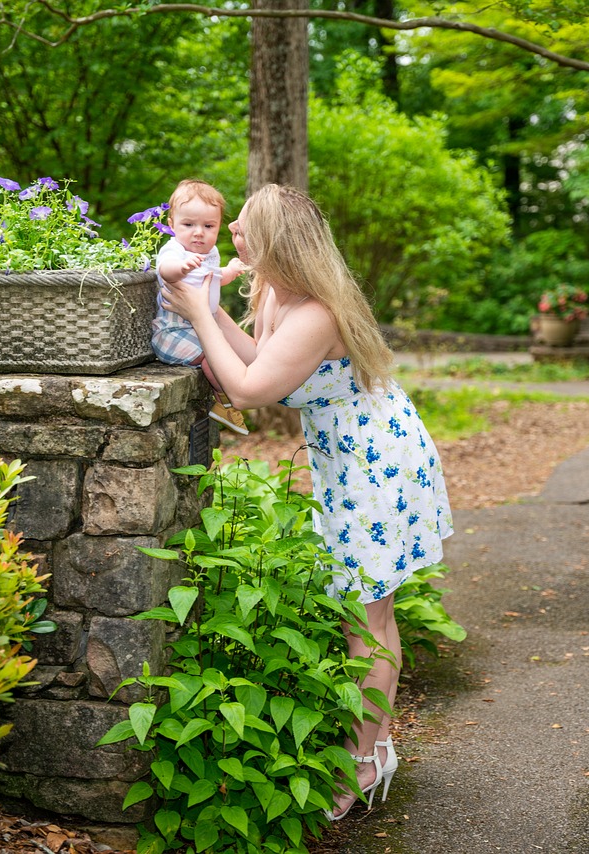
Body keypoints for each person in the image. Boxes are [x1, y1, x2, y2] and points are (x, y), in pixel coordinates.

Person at [159, 183, 453, 820]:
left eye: (244, 225)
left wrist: (200, 315)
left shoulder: (317, 311)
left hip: (376, 465)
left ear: (276, 239)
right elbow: (260, 360)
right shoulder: (274, 290)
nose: (231, 230)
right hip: (346, 462)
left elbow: (248, 390)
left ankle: (365, 759)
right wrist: (206, 309)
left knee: (366, 623)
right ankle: (374, 746)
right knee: (367, 617)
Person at [151, 179, 250, 433]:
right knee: (212, 357)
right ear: (172, 224)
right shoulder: (175, 250)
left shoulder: (211, 252)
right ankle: (226, 401)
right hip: (173, 333)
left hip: (198, 329)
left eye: (208, 226)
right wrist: (181, 268)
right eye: (188, 225)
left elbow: (213, 277)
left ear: (218, 226)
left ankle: (225, 401)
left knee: (225, 352)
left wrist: (229, 271)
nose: (198, 232)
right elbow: (165, 270)